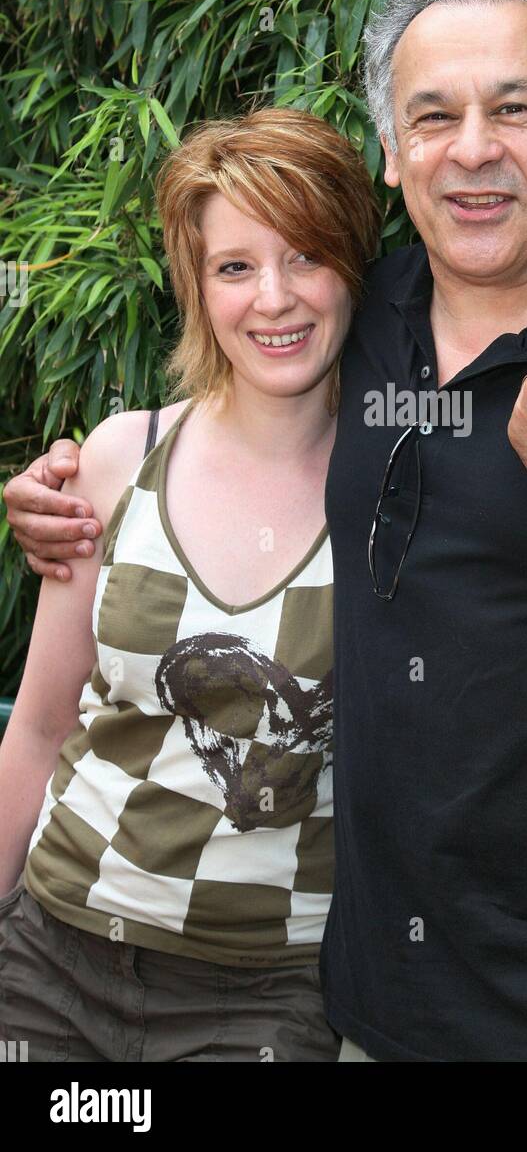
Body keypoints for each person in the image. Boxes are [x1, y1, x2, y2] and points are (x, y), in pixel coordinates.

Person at [3, 0, 527, 1063]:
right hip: (380, 1012)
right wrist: (69, 485)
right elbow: (239, 392)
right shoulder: (358, 324)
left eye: (514, 106)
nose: (471, 148)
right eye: (432, 116)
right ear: (391, 148)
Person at [0, 108, 379, 1060]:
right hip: (52, 952)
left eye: (306, 256)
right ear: (196, 285)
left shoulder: (401, 494)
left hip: (266, 988)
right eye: (235, 266)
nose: (275, 299)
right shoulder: (118, 458)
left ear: (355, 266)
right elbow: (41, 727)